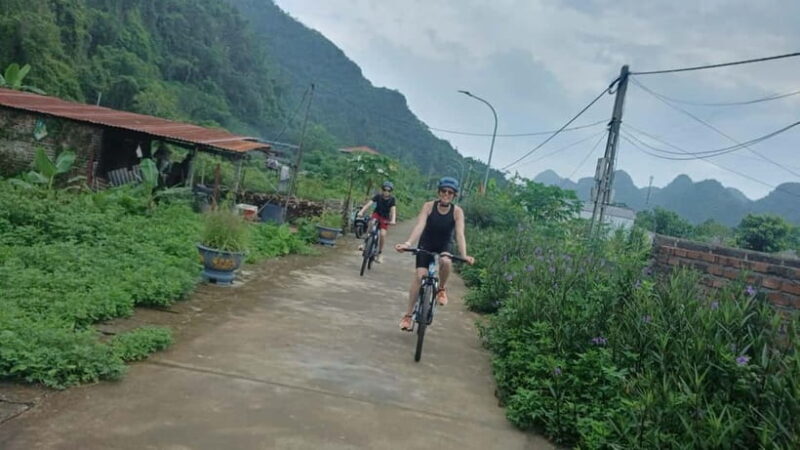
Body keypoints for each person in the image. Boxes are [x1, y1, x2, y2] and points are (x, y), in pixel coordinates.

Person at [394, 177, 475, 331]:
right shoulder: (428, 206)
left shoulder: (457, 212)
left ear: (454, 195)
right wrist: (408, 244)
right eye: (444, 191)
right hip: (427, 242)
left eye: (450, 192)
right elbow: (420, 225)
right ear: (439, 192)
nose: (446, 194)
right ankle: (408, 316)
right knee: (420, 276)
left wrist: (464, 255)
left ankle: (441, 289)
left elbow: (459, 234)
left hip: (445, 244)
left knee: (446, 261)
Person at [357, 181, 397, 263]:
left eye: (388, 190)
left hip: (385, 218)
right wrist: (361, 211)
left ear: (391, 191)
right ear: (382, 190)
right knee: (371, 223)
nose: (386, 192)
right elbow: (369, 204)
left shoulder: (392, 199)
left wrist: (393, 220)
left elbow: (393, 210)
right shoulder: (378, 196)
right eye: (385, 190)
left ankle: (379, 253)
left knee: (382, 234)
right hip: (377, 214)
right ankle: (364, 244)